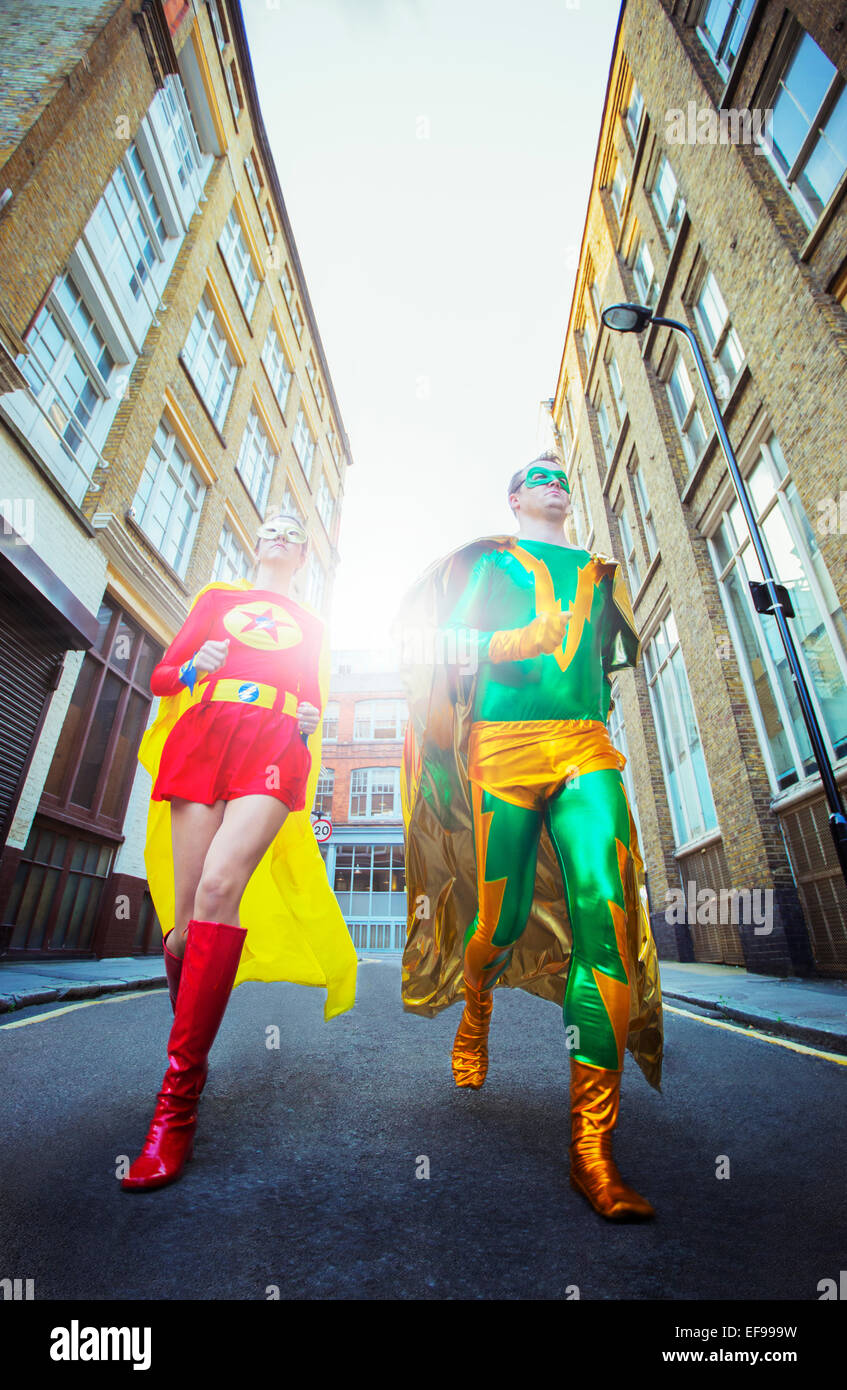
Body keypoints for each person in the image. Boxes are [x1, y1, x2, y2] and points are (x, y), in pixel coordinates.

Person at [398, 454, 663, 1220]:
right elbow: (442, 649)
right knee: (500, 922)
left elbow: (605, 666)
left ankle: (592, 1151)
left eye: (561, 475)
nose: (554, 480)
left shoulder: (597, 570)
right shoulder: (496, 566)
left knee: (603, 918)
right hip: (502, 749)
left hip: (585, 748)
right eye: (537, 475)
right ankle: (475, 1000)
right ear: (513, 497)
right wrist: (511, 643)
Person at [122, 512, 357, 1193]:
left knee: (221, 887)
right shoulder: (217, 601)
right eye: (271, 528)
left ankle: (175, 1109)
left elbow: (313, 701)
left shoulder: (313, 626)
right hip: (205, 736)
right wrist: (193, 666)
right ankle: (191, 1031)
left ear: (304, 552)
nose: (280, 536)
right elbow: (166, 677)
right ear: (255, 543)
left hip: (274, 750)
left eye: (292, 531)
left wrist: (312, 722)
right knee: (187, 929)